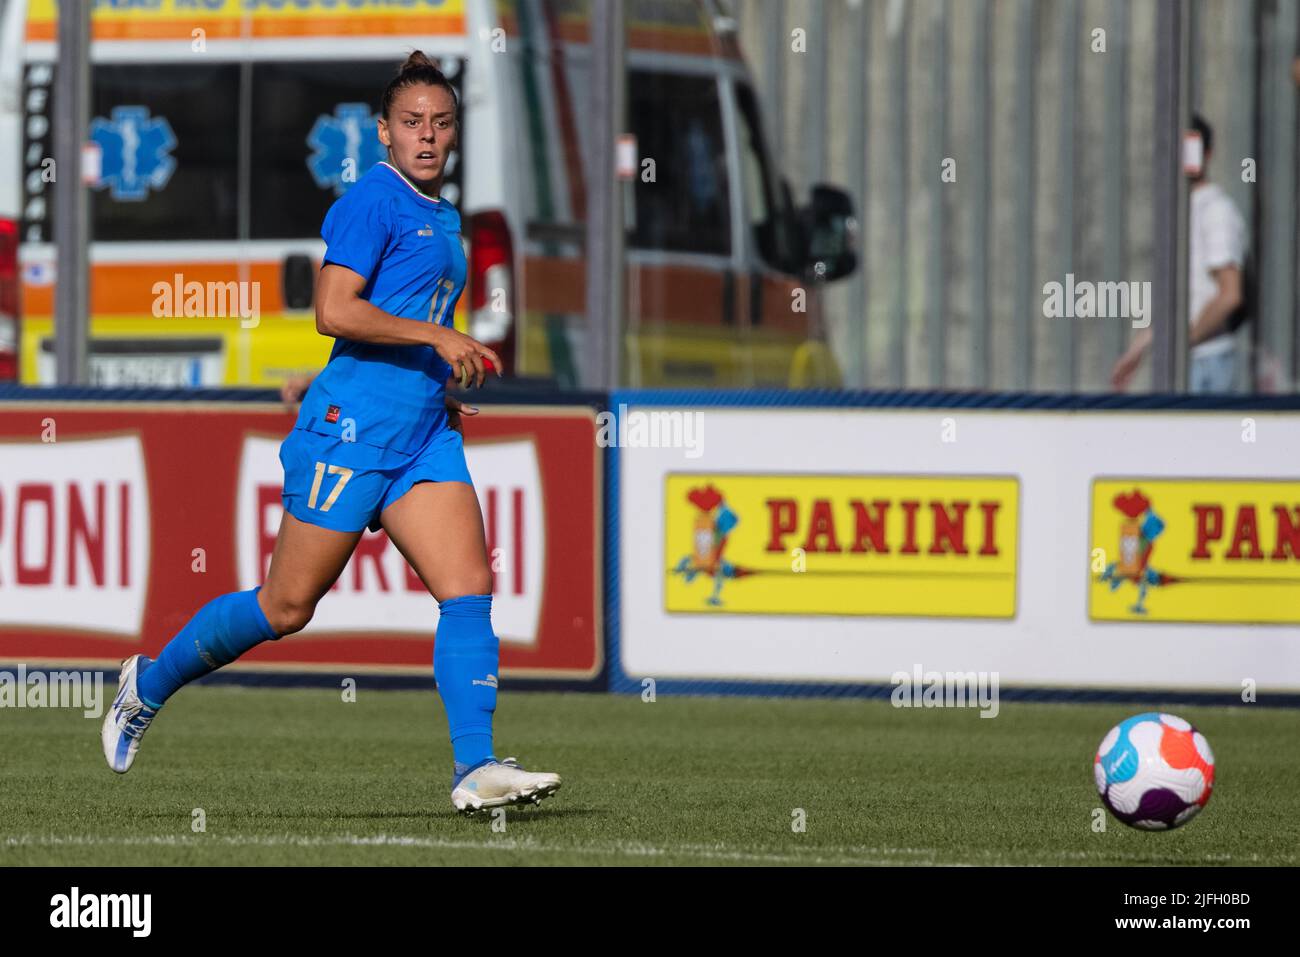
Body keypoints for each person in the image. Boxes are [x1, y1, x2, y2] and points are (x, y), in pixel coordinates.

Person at [102, 51, 561, 815]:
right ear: (383, 131)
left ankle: (474, 767)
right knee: (285, 607)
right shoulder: (371, 201)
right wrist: (440, 337)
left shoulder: (444, 216)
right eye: (411, 123)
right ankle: (145, 683)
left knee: (469, 589)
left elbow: (395, 331)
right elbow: (334, 311)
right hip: (350, 434)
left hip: (420, 435)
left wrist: (443, 374)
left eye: (441, 124)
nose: (426, 136)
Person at [1111, 114, 1247, 393]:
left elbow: (1230, 295)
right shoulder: (1185, 210)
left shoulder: (1216, 211)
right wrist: (1141, 348)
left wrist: (1181, 344)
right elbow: (1186, 299)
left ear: (1206, 154)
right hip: (1192, 363)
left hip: (1209, 365)